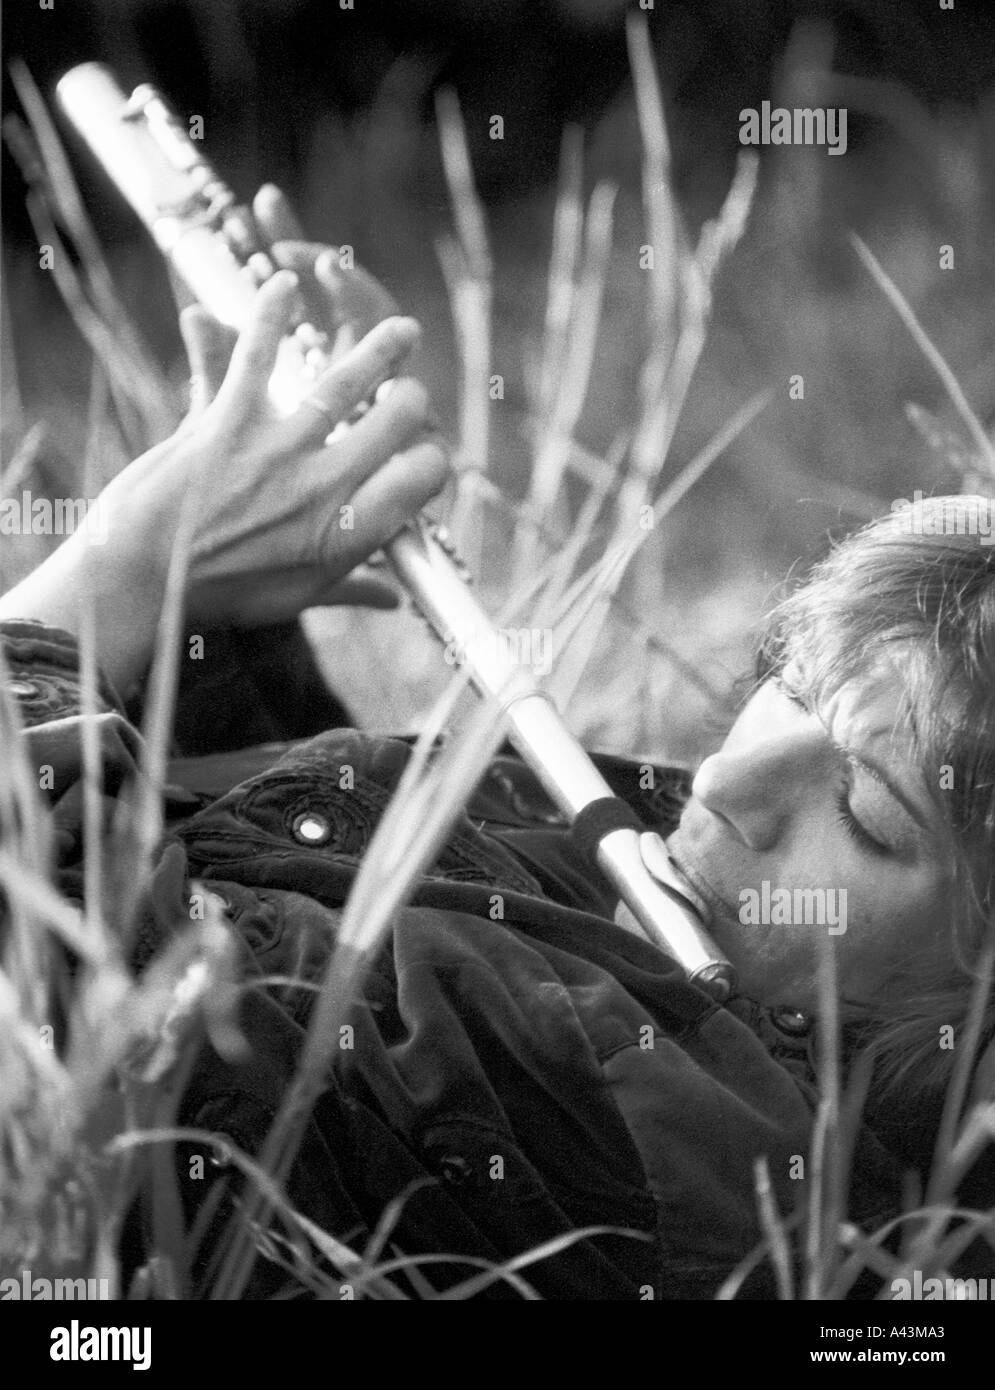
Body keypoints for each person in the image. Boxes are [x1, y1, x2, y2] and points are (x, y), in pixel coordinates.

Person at [2, 200, 993, 1300]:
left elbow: (111, 1019)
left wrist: (107, 585)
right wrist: (212, 610)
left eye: (864, 814)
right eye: (786, 685)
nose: (724, 780)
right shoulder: (660, 890)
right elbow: (268, 882)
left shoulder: (670, 1127)